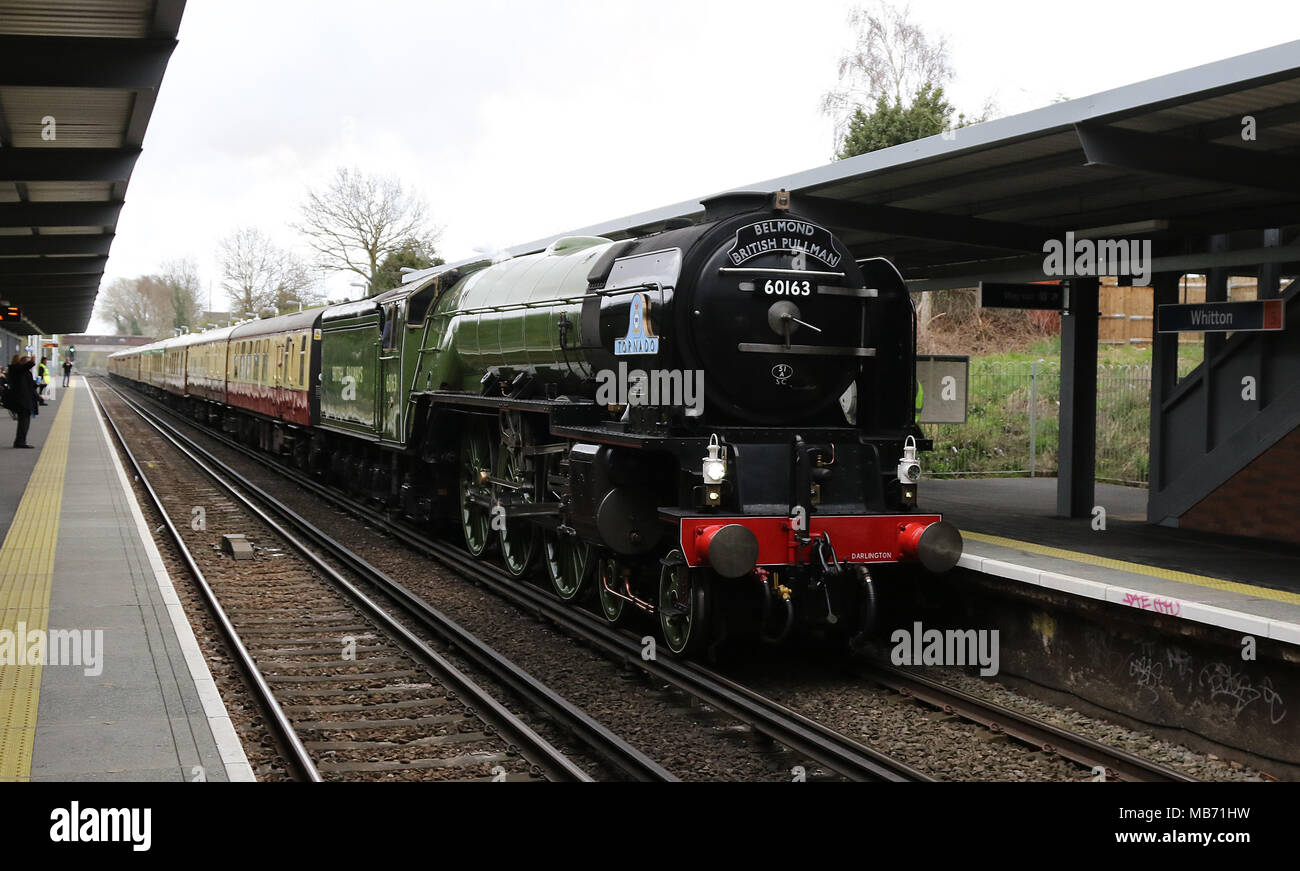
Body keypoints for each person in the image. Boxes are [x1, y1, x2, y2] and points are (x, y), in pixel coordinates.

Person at [6, 354, 36, 448]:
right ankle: (20, 442)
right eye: (26, 362)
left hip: (24, 400)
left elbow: (30, 385)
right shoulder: (15, 370)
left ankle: (21, 441)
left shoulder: (21, 372)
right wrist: (32, 362)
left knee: (24, 422)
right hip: (22, 401)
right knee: (24, 422)